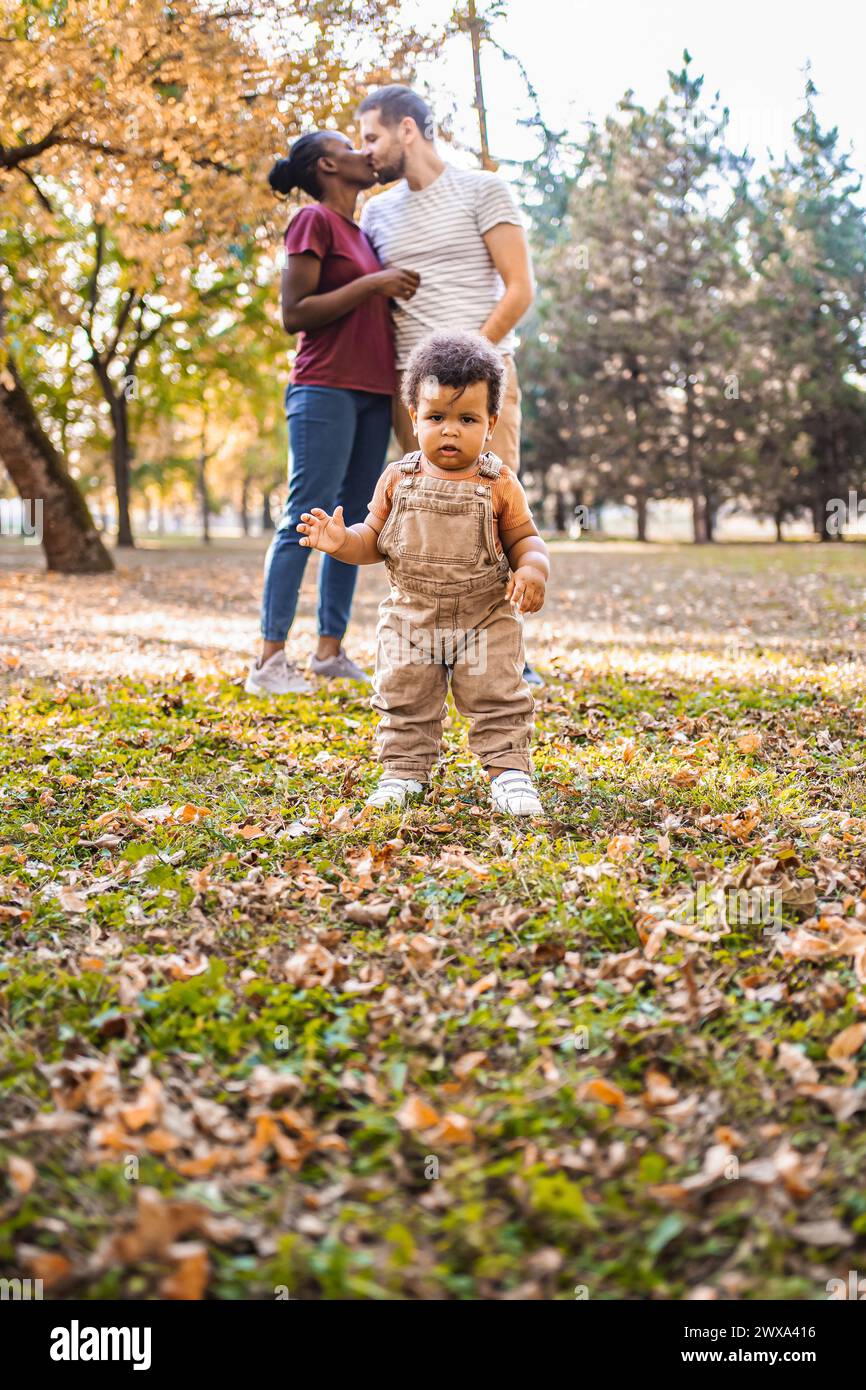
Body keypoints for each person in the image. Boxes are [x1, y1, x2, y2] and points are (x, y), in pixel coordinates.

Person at [296, 331, 549, 816]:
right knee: (404, 696)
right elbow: (371, 540)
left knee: (497, 693)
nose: (449, 430)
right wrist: (340, 541)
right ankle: (404, 772)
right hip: (410, 618)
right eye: (436, 417)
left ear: (491, 423)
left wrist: (533, 570)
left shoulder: (498, 483)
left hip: (485, 617)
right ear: (414, 418)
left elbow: (526, 540)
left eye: (467, 419)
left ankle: (509, 772)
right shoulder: (397, 478)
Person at [357, 84, 544, 687]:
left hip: (487, 385)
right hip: (413, 397)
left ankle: (507, 652)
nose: (367, 152)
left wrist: (470, 372)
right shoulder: (377, 212)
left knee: (495, 514)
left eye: (372, 137)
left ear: (407, 129)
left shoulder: (483, 189)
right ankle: (426, 649)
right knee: (425, 517)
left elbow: (519, 289)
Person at [245, 130, 420, 696]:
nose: (366, 154)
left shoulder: (361, 231)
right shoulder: (312, 220)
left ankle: (328, 651)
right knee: (306, 514)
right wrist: (375, 283)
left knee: (350, 523)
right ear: (327, 164)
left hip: (372, 391)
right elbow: (293, 313)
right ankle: (269, 659)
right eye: (353, 147)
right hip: (323, 388)